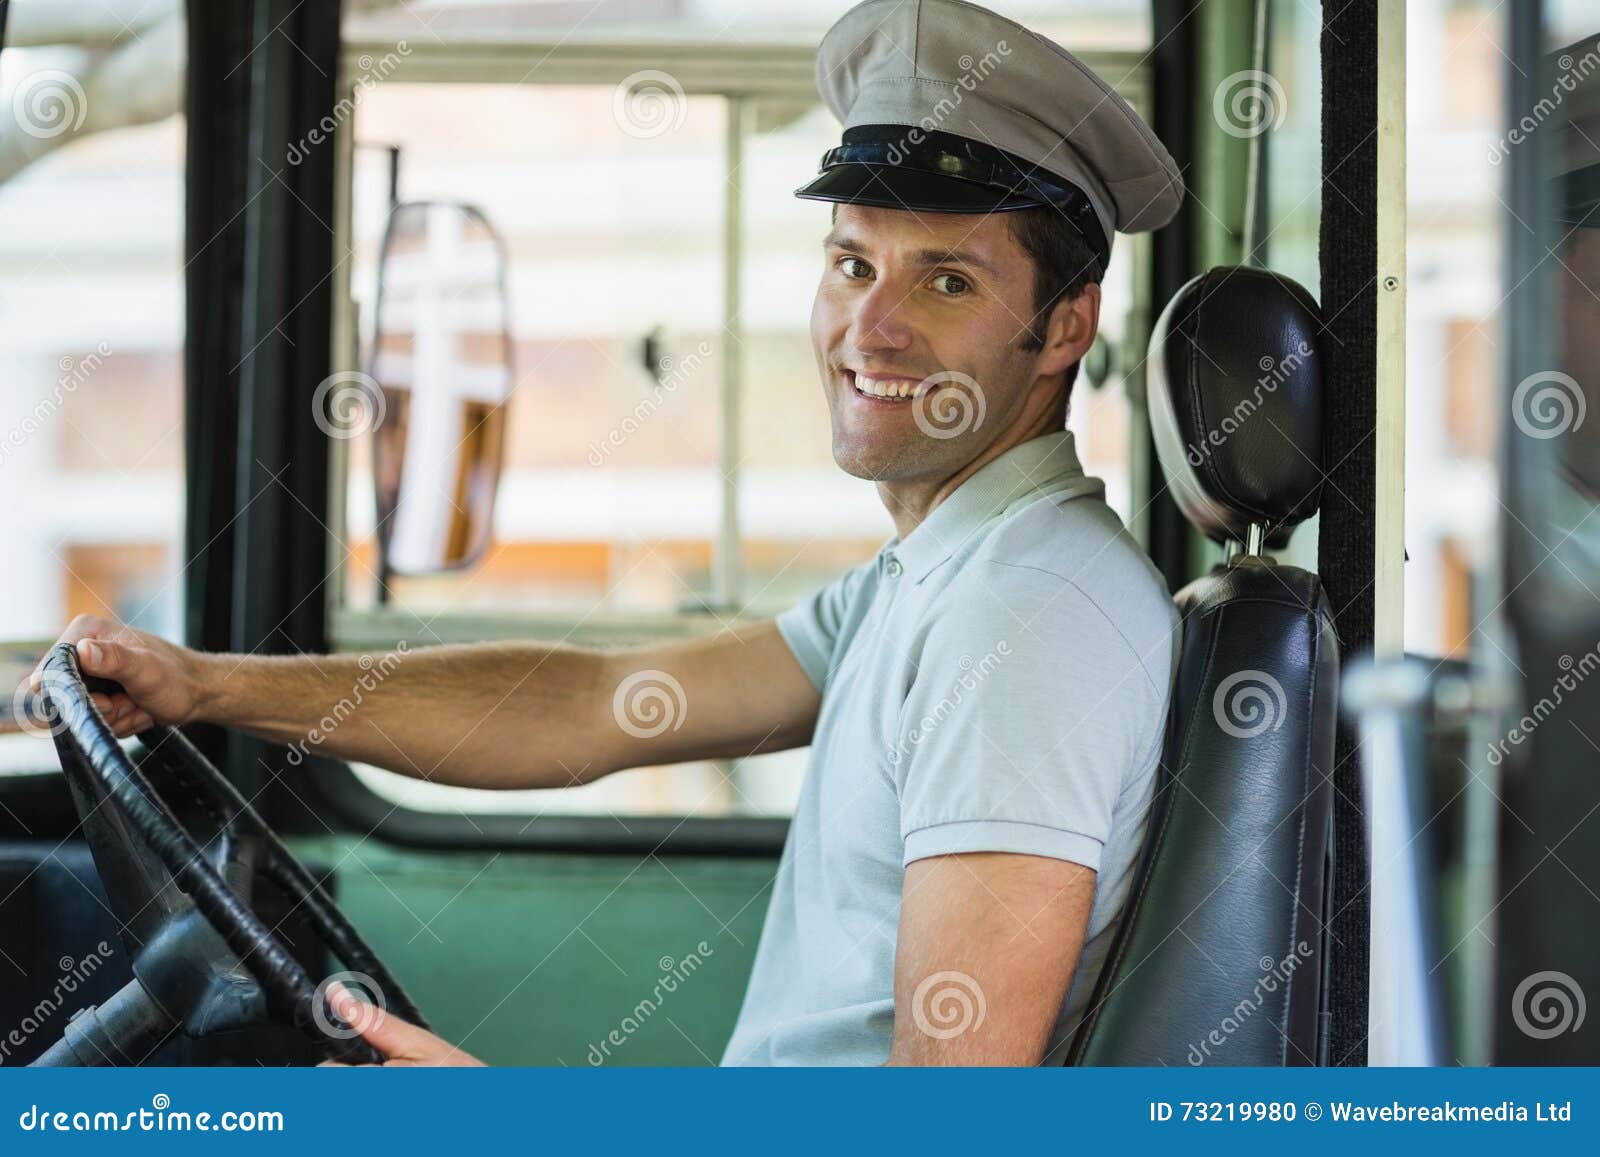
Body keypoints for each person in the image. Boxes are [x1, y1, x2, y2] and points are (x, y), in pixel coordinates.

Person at [41, 0, 1183, 1066]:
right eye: (850, 262)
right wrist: (205, 686)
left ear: (1064, 325)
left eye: (944, 281)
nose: (868, 328)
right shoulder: (941, 573)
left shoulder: (1026, 617)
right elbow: (593, 703)